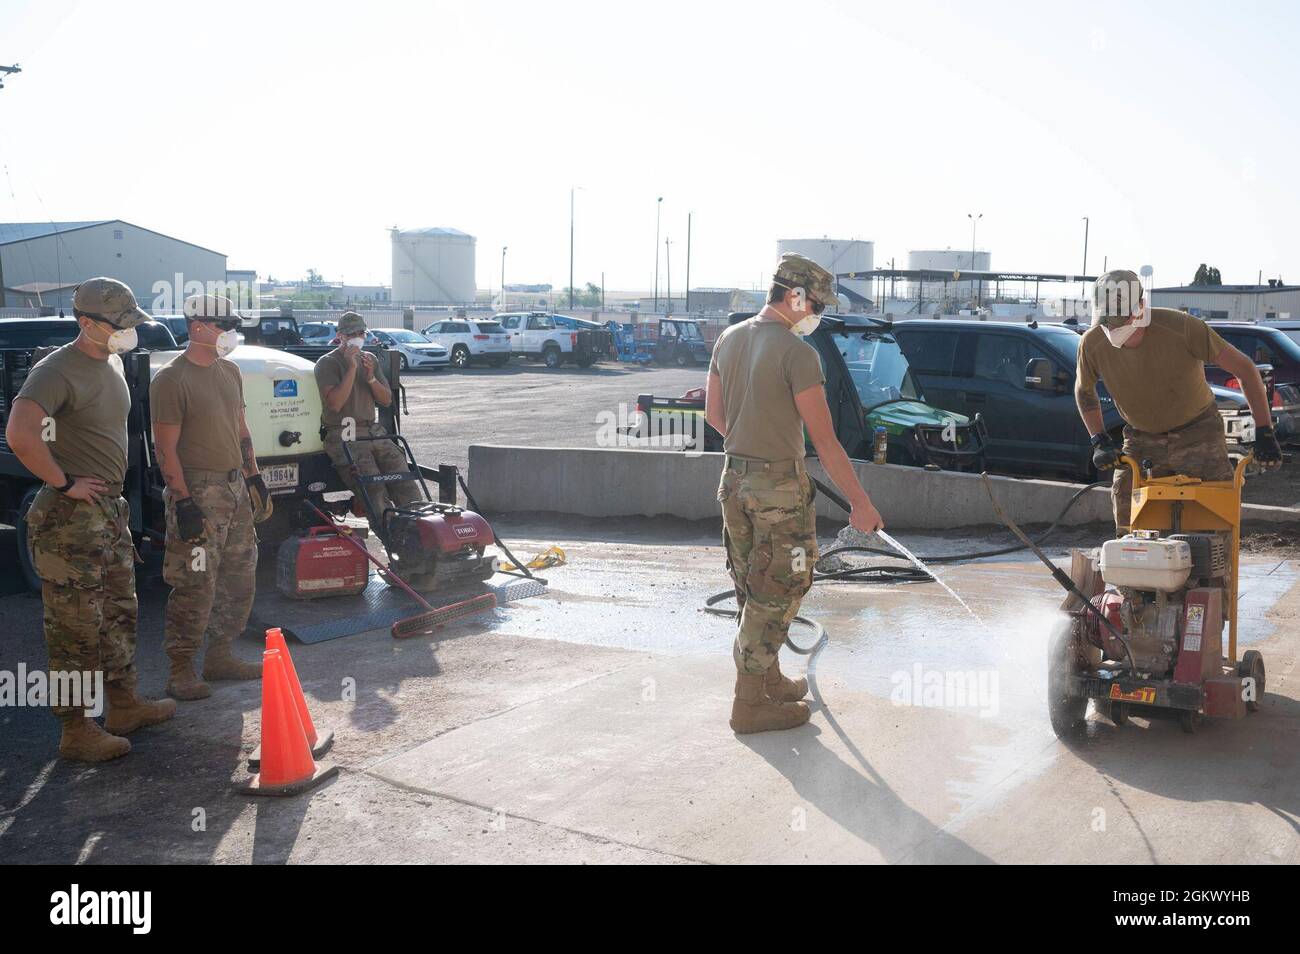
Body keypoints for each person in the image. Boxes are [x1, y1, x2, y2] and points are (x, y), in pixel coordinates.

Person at [706, 253, 885, 735]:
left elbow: (714, 417)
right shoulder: (797, 354)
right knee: (783, 585)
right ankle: (749, 704)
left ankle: (768, 680)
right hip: (778, 490)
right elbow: (825, 442)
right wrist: (861, 505)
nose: (817, 315)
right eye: (816, 305)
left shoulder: (729, 337)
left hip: (734, 480)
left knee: (751, 582)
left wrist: (751, 443)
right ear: (796, 297)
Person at [5, 277, 176, 762]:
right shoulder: (55, 370)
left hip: (108, 510)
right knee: (75, 624)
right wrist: (63, 483)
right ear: (87, 323)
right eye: (119, 324)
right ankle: (76, 729)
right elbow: (20, 434)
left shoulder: (114, 363)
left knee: (120, 611)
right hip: (70, 516)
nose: (129, 331)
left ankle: (123, 706)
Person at [1076, 269, 1283, 530]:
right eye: (1107, 322)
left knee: (1215, 519)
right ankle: (1131, 565)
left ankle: (1214, 568)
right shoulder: (1092, 343)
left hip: (1199, 432)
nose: (1114, 329)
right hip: (1141, 438)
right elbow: (1084, 391)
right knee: (1128, 512)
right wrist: (1099, 439)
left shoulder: (1181, 328)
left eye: (1121, 320)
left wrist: (1264, 430)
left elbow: (1245, 369)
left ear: (1141, 307)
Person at [150, 294, 271, 700]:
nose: (230, 333)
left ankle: (220, 656)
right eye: (223, 326)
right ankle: (181, 669)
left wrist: (254, 479)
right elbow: (165, 448)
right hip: (198, 492)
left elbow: (241, 428)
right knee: (194, 581)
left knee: (239, 575)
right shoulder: (171, 378)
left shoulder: (230, 371)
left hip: (234, 487)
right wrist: (182, 501)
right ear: (198, 326)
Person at [313, 312, 419, 529]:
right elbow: (335, 403)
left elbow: (386, 400)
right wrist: (351, 368)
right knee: (374, 490)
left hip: (373, 431)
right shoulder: (328, 363)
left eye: (361, 332)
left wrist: (370, 377)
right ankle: (392, 536)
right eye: (352, 333)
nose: (357, 337)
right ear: (340, 335)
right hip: (345, 434)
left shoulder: (369, 359)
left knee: (405, 482)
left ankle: (420, 530)